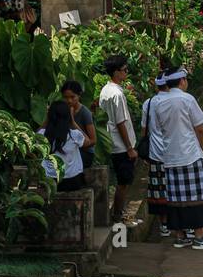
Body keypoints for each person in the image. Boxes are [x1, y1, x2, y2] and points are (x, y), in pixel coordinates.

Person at [145, 62, 203, 249]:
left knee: (175, 198)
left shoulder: (158, 103)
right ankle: (199, 237)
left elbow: (156, 129)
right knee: (197, 196)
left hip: (169, 156)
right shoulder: (187, 100)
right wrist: (201, 150)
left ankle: (180, 236)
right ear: (181, 81)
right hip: (190, 154)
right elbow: (200, 128)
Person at [99, 55, 139, 227]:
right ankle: (118, 215)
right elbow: (121, 122)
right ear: (116, 72)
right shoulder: (117, 94)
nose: (126, 73)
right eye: (124, 70)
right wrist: (129, 147)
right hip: (121, 145)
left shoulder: (106, 90)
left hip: (112, 141)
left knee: (122, 181)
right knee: (124, 182)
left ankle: (118, 213)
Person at [139, 75, 173, 236]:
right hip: (175, 152)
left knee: (159, 190)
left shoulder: (149, 103)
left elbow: (144, 130)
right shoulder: (176, 100)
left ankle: (164, 224)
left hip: (155, 152)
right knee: (177, 188)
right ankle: (181, 224)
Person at [39, 100, 88, 192]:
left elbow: (33, 139)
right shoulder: (74, 135)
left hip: (50, 182)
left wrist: (47, 119)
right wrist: (73, 121)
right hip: (73, 181)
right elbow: (88, 142)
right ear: (68, 116)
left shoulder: (42, 135)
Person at [61, 80, 96, 175]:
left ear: (79, 96)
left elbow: (93, 141)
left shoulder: (85, 113)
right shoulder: (61, 110)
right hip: (67, 150)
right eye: (66, 97)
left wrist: (72, 122)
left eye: (72, 97)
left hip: (84, 153)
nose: (69, 101)